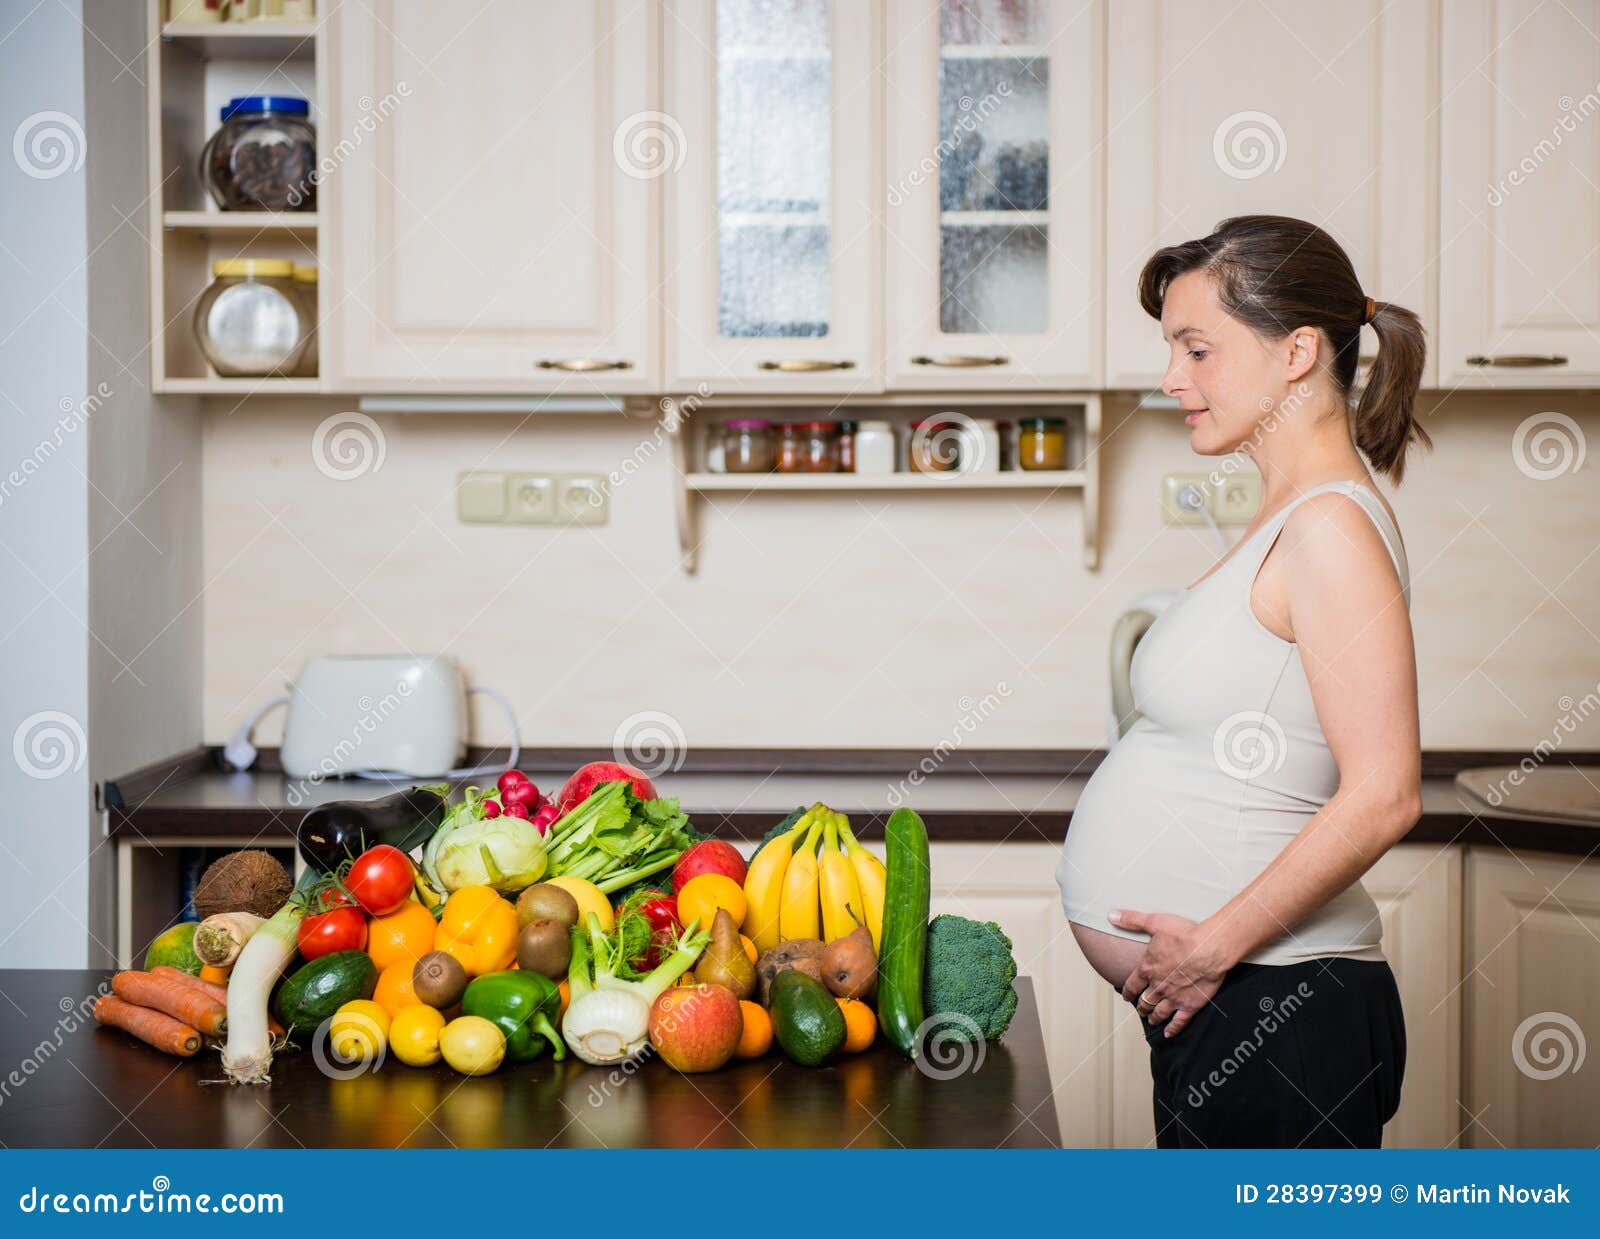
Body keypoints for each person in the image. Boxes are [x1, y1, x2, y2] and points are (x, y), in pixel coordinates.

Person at [1056, 214, 1431, 1148]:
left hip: (1279, 1010)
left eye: (1198, 349)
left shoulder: (1330, 530)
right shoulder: (1292, 515)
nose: (1172, 378)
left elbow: (1385, 793)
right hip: (1242, 1008)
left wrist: (1209, 948)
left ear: (1298, 350)